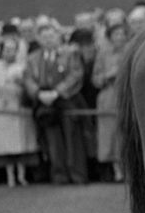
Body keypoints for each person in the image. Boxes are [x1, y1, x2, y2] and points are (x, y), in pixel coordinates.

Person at [22, 24, 86, 185]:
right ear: (39, 39)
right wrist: (38, 93)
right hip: (45, 105)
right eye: (44, 37)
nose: (48, 40)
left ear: (58, 37)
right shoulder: (33, 58)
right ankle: (59, 175)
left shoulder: (70, 54)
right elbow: (28, 79)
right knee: (53, 141)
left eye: (51, 36)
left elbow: (76, 74)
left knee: (73, 139)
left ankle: (77, 175)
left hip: (67, 101)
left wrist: (57, 92)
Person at [0, 35, 37, 187]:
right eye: (6, 49)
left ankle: (21, 175)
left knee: (21, 144)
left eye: (12, 50)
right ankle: (10, 176)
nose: (8, 53)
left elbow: (31, 89)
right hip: (1, 109)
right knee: (6, 146)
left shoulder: (23, 67)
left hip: (19, 108)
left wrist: (21, 84)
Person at [91, 21, 130, 180]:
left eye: (122, 34)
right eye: (115, 34)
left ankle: (127, 167)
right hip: (108, 96)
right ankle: (115, 170)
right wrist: (108, 75)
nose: (119, 37)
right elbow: (95, 78)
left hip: (126, 93)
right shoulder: (103, 54)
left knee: (125, 131)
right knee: (110, 133)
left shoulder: (130, 50)